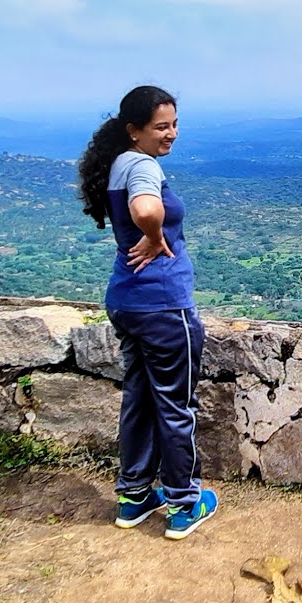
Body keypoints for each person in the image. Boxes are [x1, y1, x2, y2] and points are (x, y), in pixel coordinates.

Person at [76, 85, 217, 539]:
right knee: (177, 404)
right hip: (162, 305)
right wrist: (155, 236)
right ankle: (183, 503)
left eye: (175, 124)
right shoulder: (141, 165)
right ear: (133, 130)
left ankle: (134, 496)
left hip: (126, 302)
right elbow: (145, 207)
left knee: (139, 399)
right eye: (161, 126)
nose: (171, 134)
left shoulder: (119, 162)